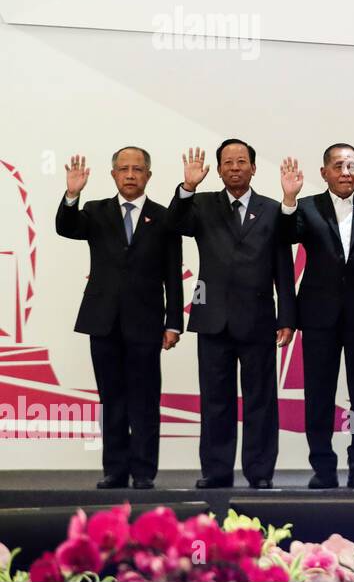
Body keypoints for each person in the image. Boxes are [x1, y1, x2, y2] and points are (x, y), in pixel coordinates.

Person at [166, 141, 296, 489]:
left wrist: (287, 317)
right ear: (219, 169)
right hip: (213, 317)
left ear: (254, 168)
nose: (235, 167)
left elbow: (283, 266)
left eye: (241, 162)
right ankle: (216, 471)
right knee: (215, 401)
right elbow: (174, 223)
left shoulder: (273, 209)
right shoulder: (203, 204)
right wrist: (188, 187)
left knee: (261, 401)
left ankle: (260, 472)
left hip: (258, 319)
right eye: (227, 163)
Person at [56, 149, 183, 489]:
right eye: (123, 169)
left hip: (146, 321)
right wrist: (72, 195)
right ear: (112, 175)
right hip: (103, 320)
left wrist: (173, 322)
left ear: (148, 176)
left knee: (144, 399)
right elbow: (66, 228)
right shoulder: (96, 211)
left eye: (137, 169)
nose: (130, 175)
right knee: (111, 398)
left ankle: (143, 471)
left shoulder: (164, 217)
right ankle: (115, 469)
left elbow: (173, 274)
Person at [278, 144, 354, 490]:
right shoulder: (306, 207)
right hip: (319, 313)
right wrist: (289, 199)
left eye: (351, 165)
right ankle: (323, 467)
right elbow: (286, 235)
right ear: (324, 173)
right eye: (338, 166)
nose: (345, 172)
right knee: (319, 394)